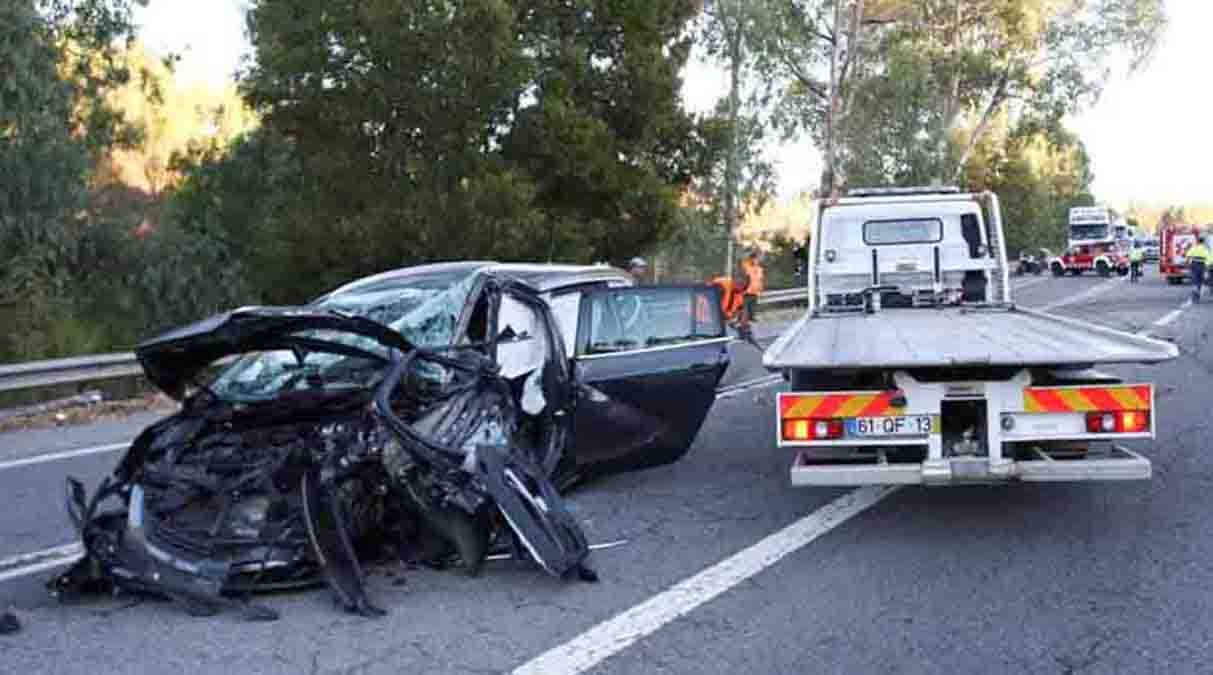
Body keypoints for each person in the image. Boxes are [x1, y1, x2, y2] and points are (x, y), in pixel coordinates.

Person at [735, 247, 766, 340]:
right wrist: (751, 253)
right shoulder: (746, 266)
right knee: (745, 315)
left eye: (758, 259)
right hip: (745, 294)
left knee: (751, 316)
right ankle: (742, 332)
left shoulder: (760, 269)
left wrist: (761, 290)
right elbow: (742, 260)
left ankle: (745, 331)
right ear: (752, 258)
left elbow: (760, 281)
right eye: (755, 258)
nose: (757, 260)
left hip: (754, 294)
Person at [1185, 236, 1211, 302]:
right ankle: (1197, 293)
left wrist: (1187, 264)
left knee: (1195, 279)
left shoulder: (1194, 248)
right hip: (1202, 265)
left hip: (1194, 265)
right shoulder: (1205, 249)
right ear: (1204, 242)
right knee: (1201, 280)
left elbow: (1188, 255)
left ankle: (1195, 290)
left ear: (1198, 241)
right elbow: (1209, 259)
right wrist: (1207, 267)